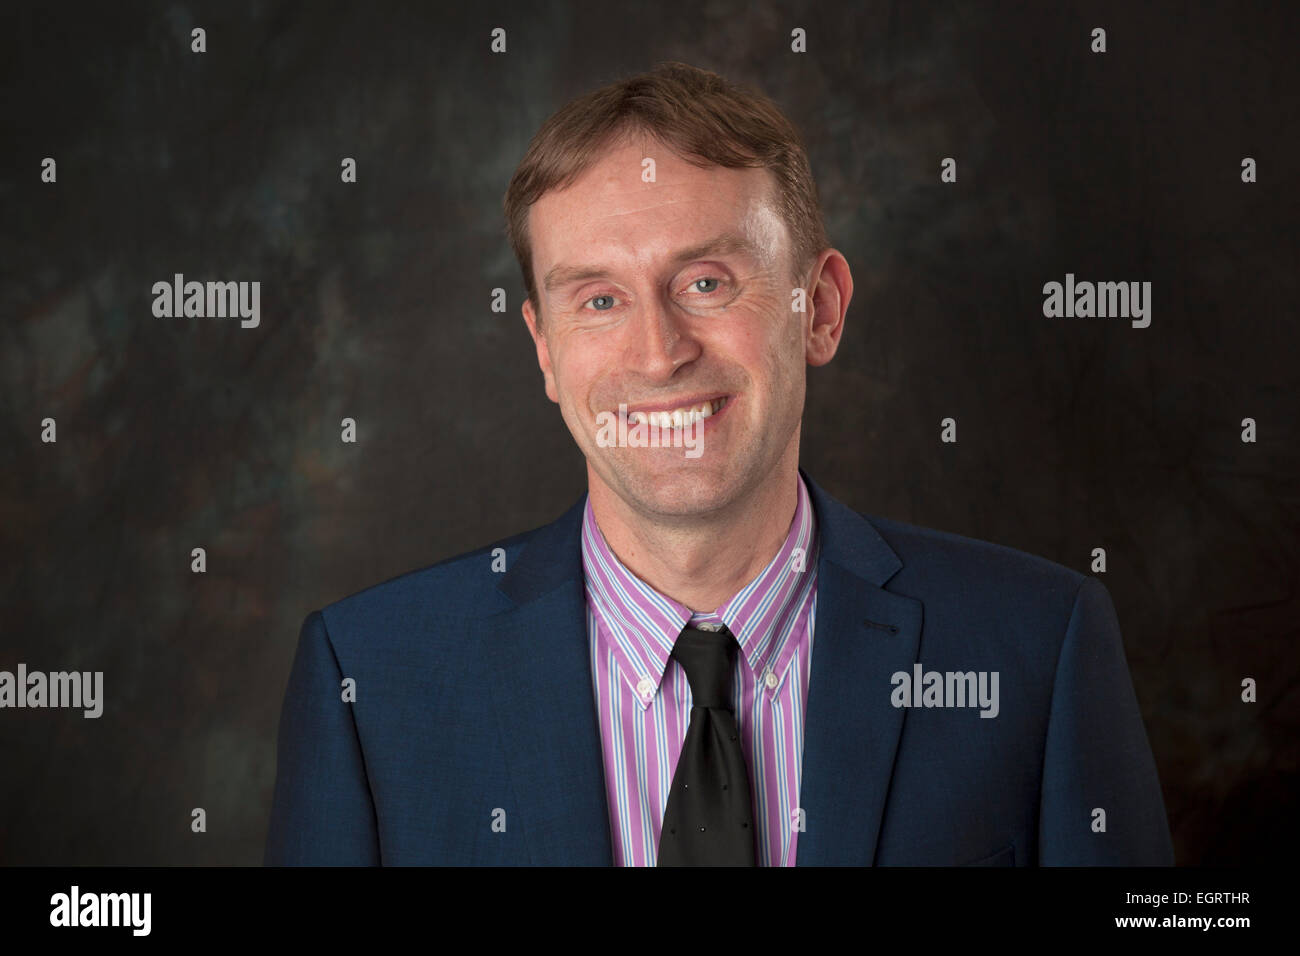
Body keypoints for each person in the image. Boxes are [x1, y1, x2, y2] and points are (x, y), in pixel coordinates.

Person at [264, 61, 1174, 866]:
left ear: (819, 308)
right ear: (543, 349)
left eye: (706, 282)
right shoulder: (371, 681)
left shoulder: (1036, 649)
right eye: (600, 299)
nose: (657, 353)